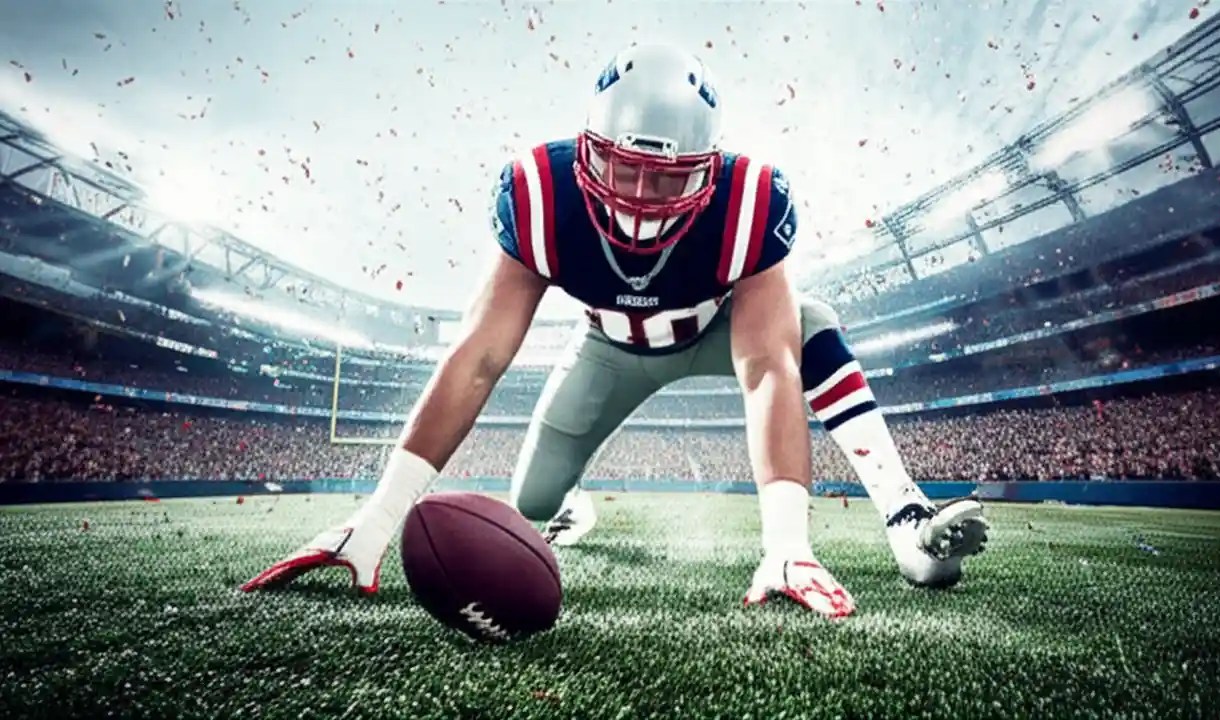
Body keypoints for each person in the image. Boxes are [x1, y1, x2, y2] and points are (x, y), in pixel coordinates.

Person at [241, 44, 989, 618]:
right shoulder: (541, 192)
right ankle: (572, 506)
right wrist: (382, 513)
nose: (642, 198)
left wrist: (786, 545)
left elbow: (765, 369)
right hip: (608, 349)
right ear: (587, 148)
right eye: (624, 170)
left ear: (709, 167)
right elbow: (479, 354)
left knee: (807, 323)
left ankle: (905, 515)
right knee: (529, 501)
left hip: (715, 328)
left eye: (668, 178)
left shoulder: (749, 201)